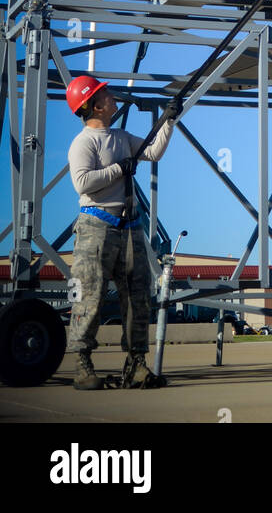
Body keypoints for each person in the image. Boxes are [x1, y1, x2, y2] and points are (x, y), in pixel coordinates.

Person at [66, 74, 179, 390]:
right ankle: (83, 366)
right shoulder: (83, 143)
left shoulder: (120, 136)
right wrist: (119, 169)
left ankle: (137, 366)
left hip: (129, 227)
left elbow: (152, 152)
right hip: (96, 227)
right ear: (96, 105)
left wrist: (169, 121)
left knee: (138, 298)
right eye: (106, 94)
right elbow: (82, 183)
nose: (113, 98)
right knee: (91, 296)